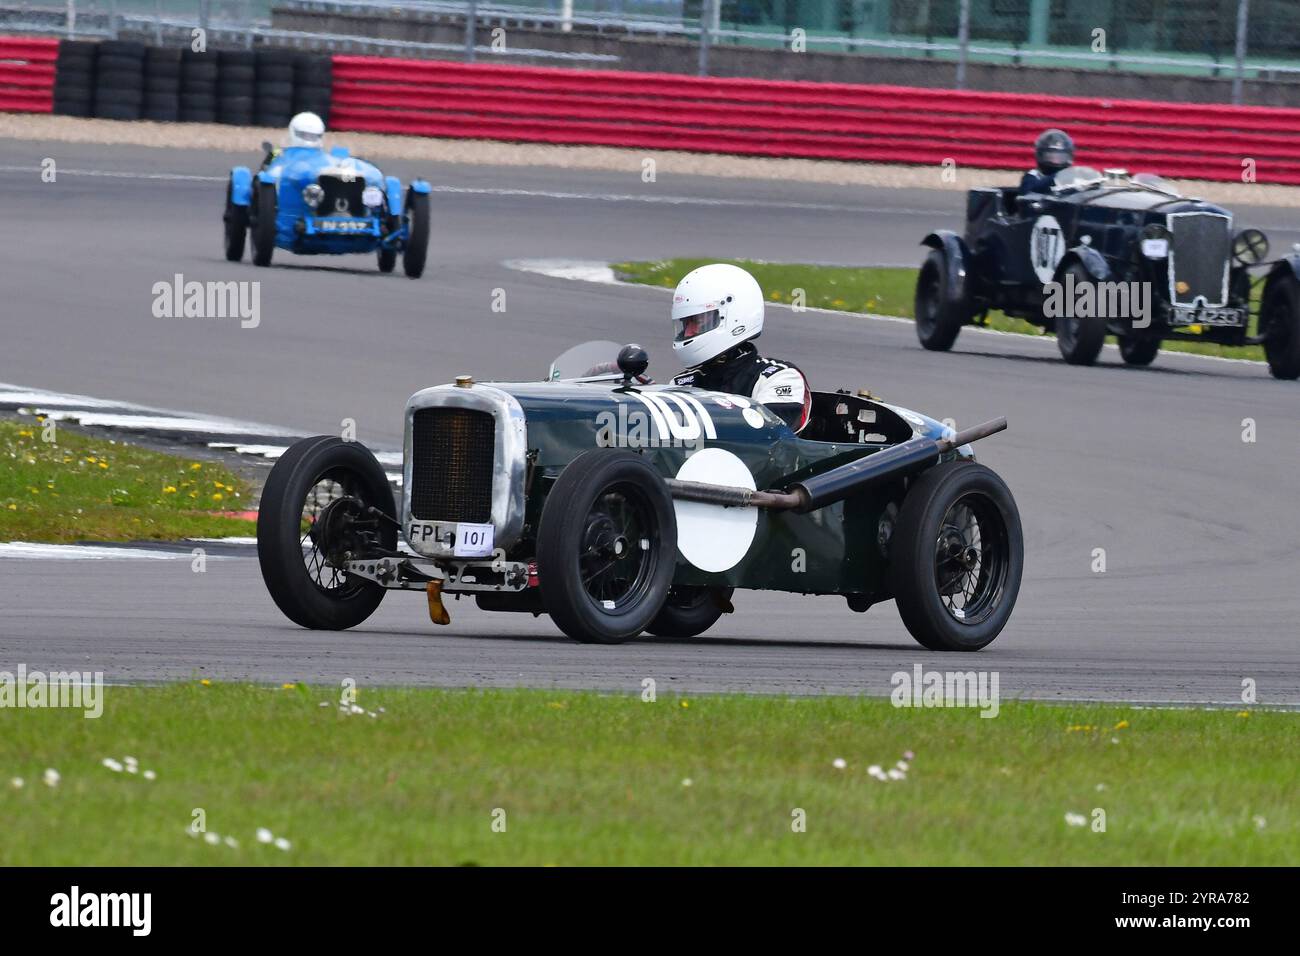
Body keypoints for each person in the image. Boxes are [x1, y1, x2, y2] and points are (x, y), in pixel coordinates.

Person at [669, 263, 811, 433]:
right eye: (687, 323)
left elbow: (768, 435)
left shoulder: (779, 377)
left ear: (734, 317)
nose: (689, 332)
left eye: (698, 322)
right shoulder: (683, 384)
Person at [1019, 128, 1075, 195]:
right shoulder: (1033, 176)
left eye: (1060, 158)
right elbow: (1028, 193)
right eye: (1051, 157)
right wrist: (1056, 178)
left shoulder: (1072, 179)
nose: (1055, 161)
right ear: (1040, 156)